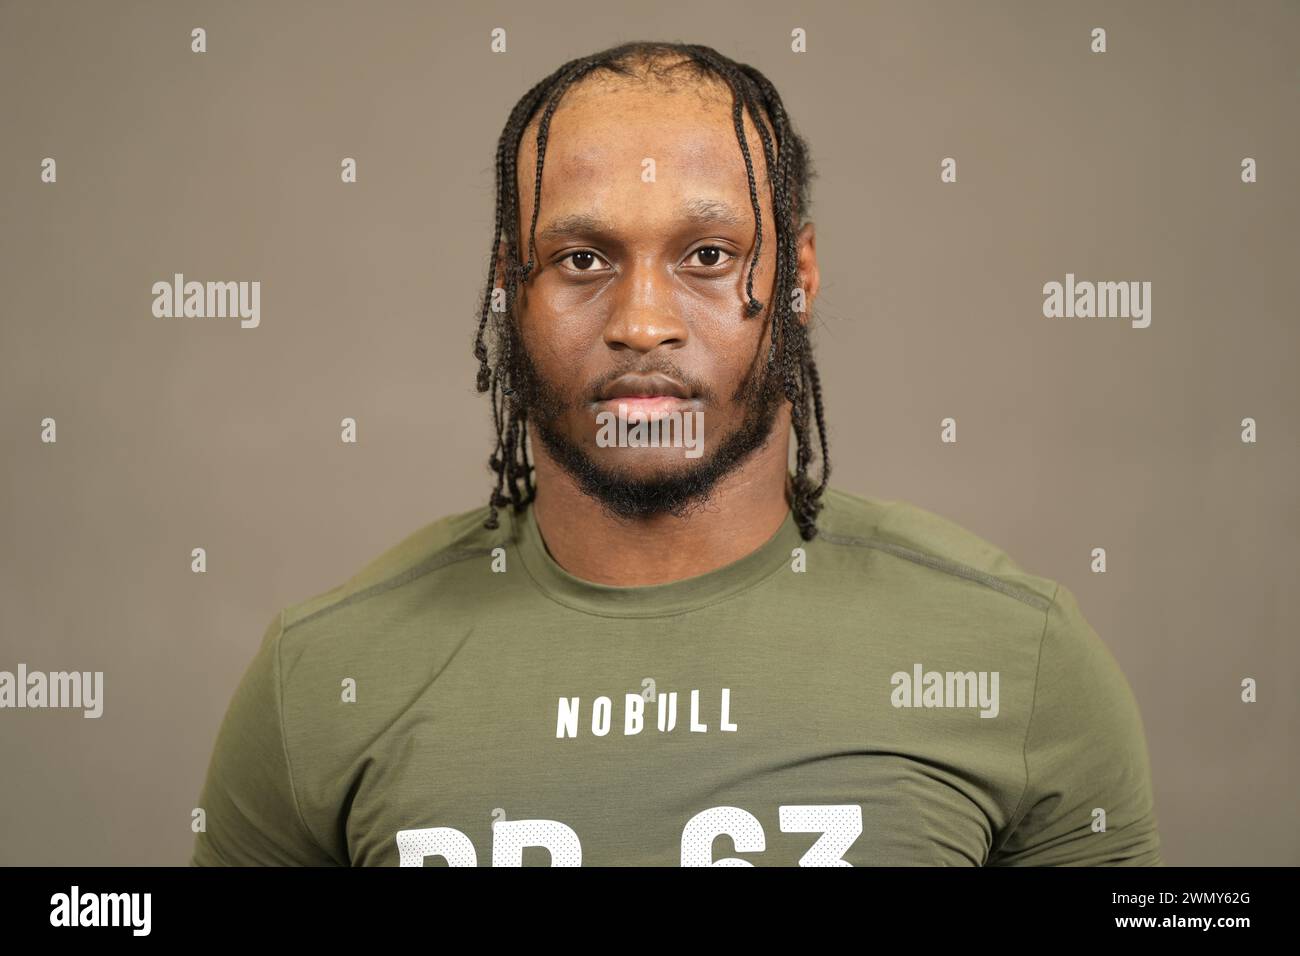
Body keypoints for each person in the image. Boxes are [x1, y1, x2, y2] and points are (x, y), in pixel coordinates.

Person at [190, 41, 1162, 867]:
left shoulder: (1015, 656)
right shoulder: (323, 677)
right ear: (509, 289)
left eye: (706, 255)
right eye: (582, 259)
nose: (643, 322)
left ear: (799, 275)